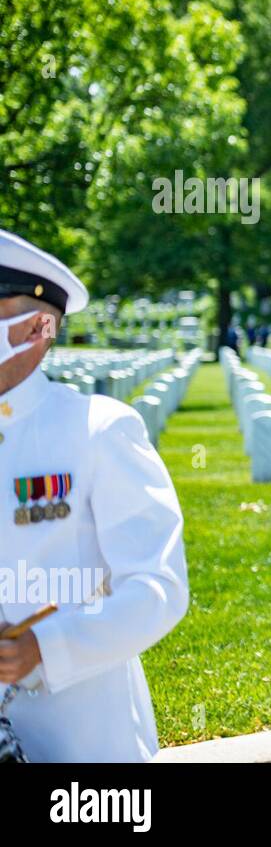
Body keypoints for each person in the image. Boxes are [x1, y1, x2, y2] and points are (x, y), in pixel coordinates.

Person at [0, 228, 189, 762]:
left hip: (81, 738)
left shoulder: (98, 429)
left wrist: (45, 648)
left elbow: (159, 586)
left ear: (40, 326)